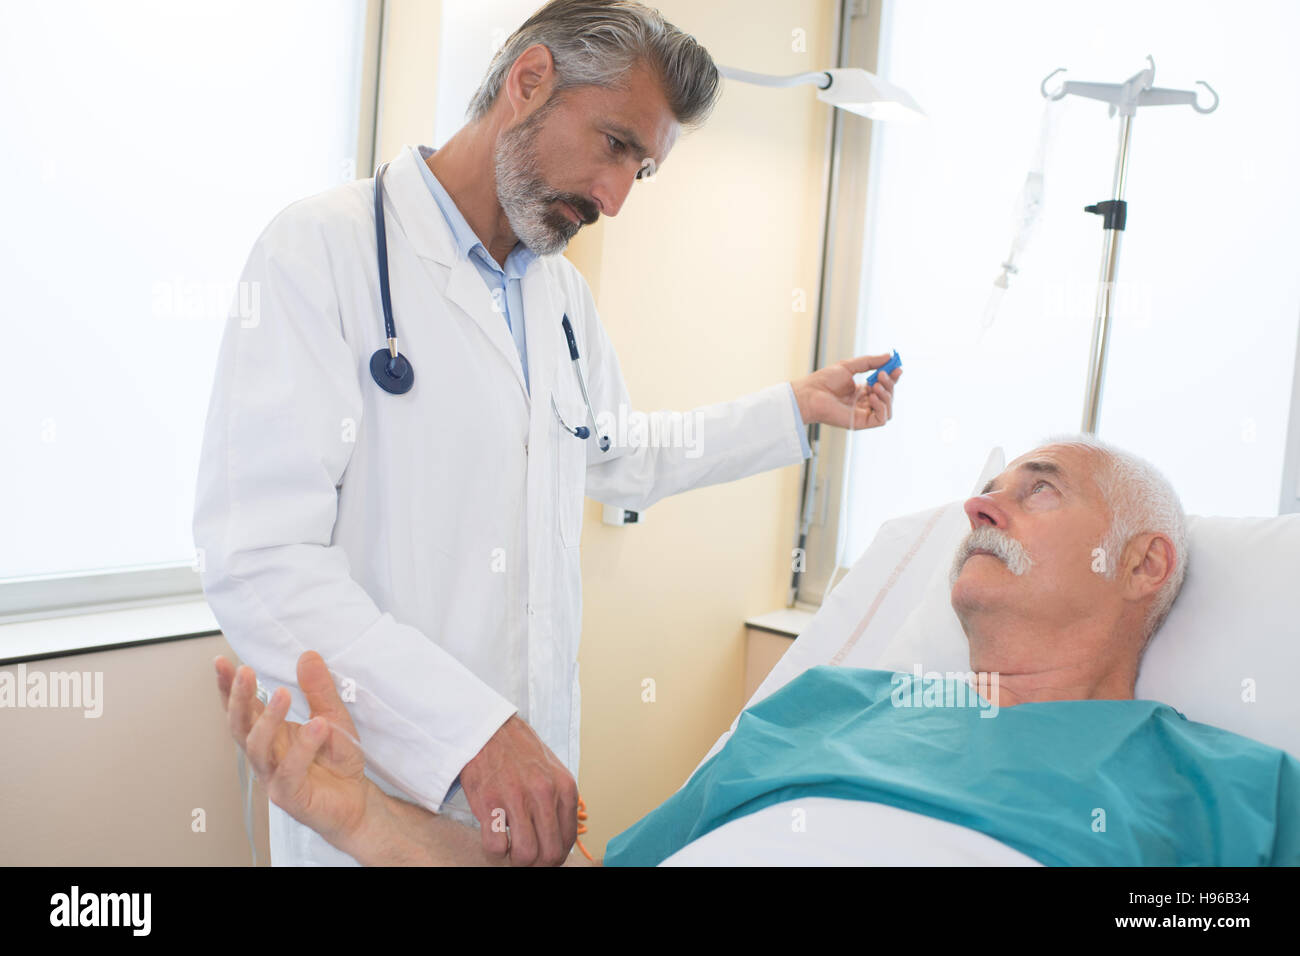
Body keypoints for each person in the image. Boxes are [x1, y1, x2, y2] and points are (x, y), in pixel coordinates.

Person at [194, 0, 901, 867]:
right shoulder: (322, 252)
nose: (613, 198)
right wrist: (468, 732)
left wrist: (792, 409)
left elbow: (616, 455)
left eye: (639, 171)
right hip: (381, 793)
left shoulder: (559, 298)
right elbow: (259, 560)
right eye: (615, 145)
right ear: (528, 81)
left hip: (528, 789)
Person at [212, 436, 1300, 866]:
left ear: (1144, 564)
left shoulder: (1223, 781)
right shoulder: (826, 705)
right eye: (989, 481)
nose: (980, 499)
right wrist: (359, 816)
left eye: (1036, 489)